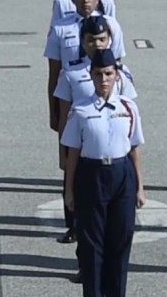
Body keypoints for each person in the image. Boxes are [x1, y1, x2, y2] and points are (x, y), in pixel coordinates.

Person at [61, 50, 146, 297]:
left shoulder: (128, 107)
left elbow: (135, 149)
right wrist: (69, 190)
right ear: (91, 76)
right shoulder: (81, 109)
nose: (104, 79)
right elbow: (72, 153)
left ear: (117, 75)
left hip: (121, 175)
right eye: (98, 74)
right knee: (92, 248)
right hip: (91, 175)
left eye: (109, 73)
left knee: (119, 245)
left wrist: (140, 186)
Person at [52, 15, 137, 247]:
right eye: (91, 40)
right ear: (82, 42)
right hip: (83, 147)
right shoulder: (72, 73)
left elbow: (130, 115)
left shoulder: (121, 73)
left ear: (110, 40)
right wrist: (63, 152)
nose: (97, 45)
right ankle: (81, 251)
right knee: (84, 213)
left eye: (101, 39)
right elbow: (64, 116)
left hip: (114, 148)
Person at [46, 0, 125, 135]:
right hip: (72, 93)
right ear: (72, 0)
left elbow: (116, 67)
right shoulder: (60, 28)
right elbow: (54, 72)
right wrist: (54, 111)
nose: (85, 0)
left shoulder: (110, 25)